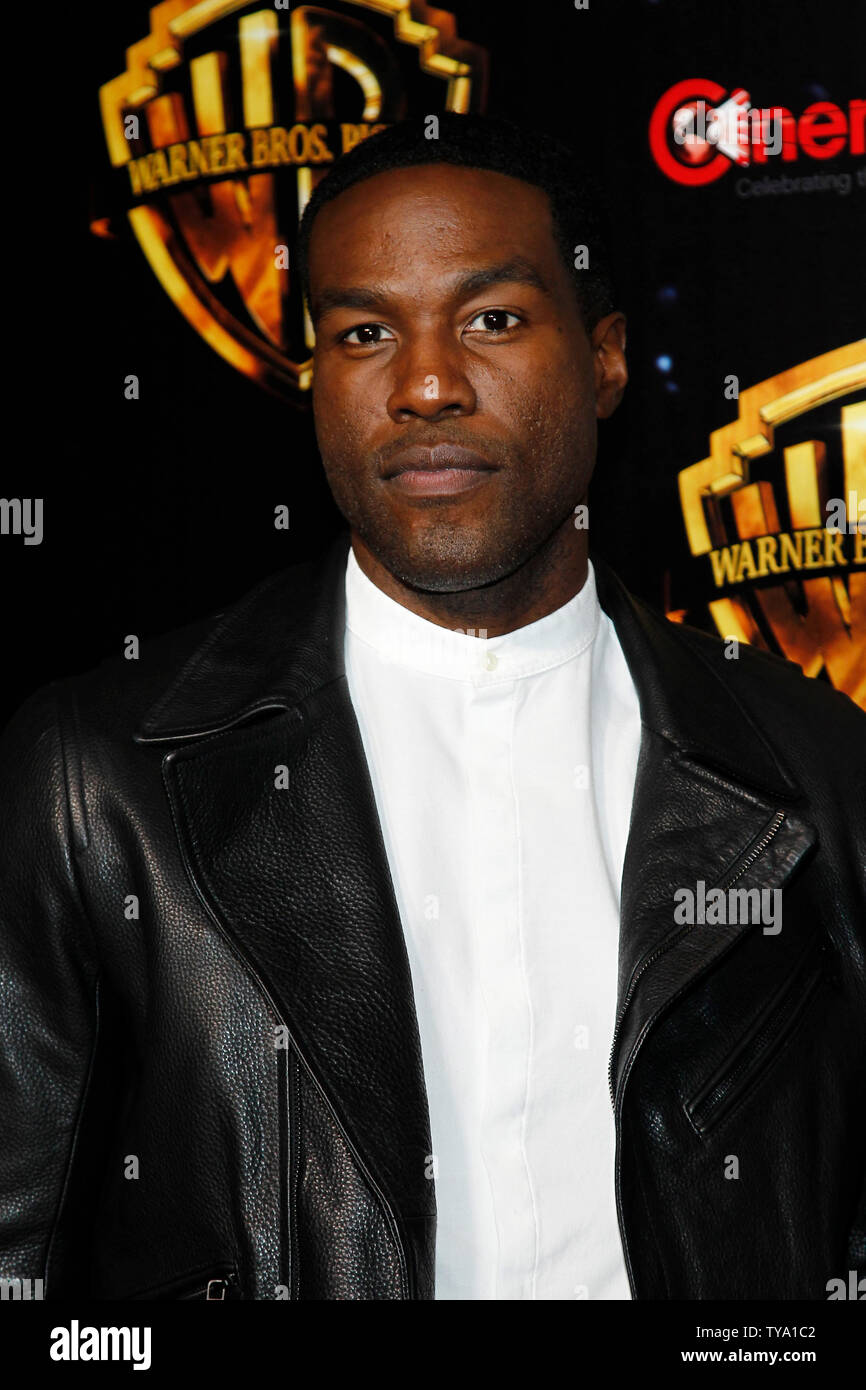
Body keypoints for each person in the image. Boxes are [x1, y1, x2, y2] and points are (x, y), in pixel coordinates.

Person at [1, 114, 864, 1302]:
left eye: (491, 320)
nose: (423, 384)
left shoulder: (810, 769)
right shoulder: (99, 774)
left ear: (604, 358)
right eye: (363, 332)